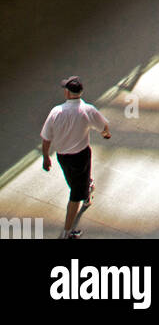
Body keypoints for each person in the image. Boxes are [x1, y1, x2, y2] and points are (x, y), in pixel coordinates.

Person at [41, 76, 110, 239]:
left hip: (63, 157)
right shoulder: (88, 110)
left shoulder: (56, 112)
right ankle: (67, 232)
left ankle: (85, 193)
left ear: (67, 93)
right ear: (81, 92)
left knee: (75, 183)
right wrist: (105, 134)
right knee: (75, 195)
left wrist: (46, 157)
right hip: (81, 156)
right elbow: (104, 126)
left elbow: (46, 137)